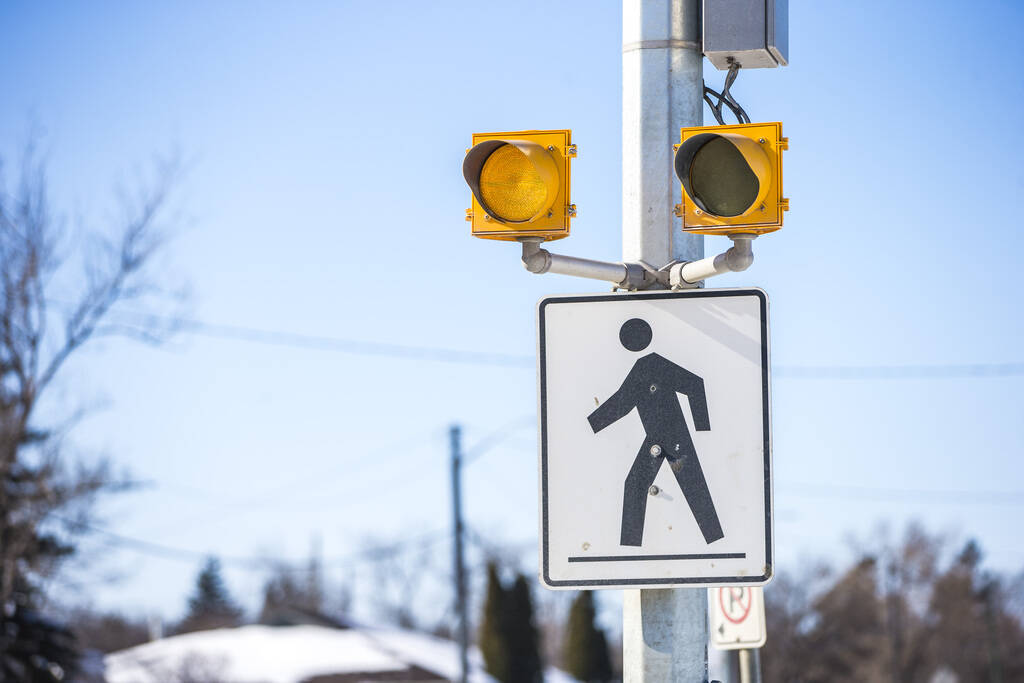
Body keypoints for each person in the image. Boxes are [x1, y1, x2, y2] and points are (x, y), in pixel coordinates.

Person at [587, 318, 724, 546]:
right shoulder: (641, 368)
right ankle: (631, 549)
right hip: (657, 437)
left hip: (674, 435)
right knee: (636, 484)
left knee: (692, 487)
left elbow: (695, 384)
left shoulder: (651, 364)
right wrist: (591, 424)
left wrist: (703, 427)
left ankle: (716, 541)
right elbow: (623, 402)